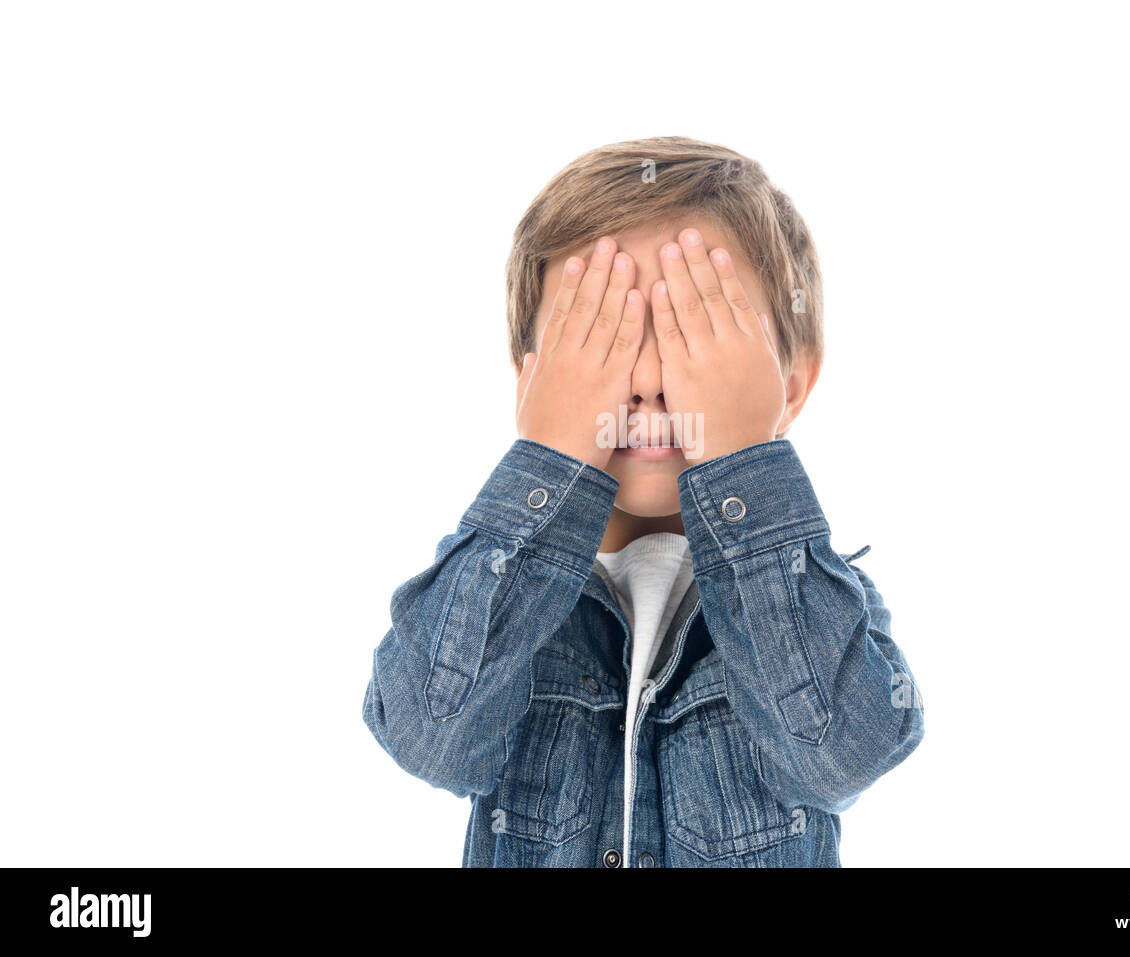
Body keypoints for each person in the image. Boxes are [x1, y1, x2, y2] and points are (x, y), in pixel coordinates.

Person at [361, 136, 925, 867]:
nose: (652, 377)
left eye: (697, 329)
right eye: (605, 331)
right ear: (531, 382)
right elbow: (425, 732)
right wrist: (550, 458)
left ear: (790, 383)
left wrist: (744, 462)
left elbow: (845, 753)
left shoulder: (820, 598)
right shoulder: (497, 593)